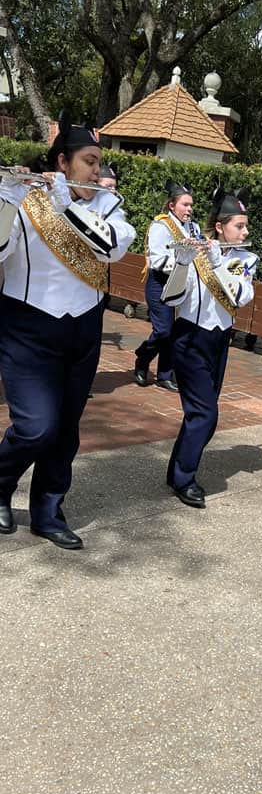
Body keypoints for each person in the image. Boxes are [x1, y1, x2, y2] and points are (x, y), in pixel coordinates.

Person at [0, 111, 136, 549]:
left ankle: (48, 511)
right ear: (62, 162)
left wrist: (68, 206)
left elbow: (113, 248)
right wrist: (5, 201)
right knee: (36, 426)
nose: (98, 170)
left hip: (83, 328)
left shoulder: (106, 204)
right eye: (90, 161)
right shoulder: (26, 199)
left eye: (99, 162)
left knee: (66, 428)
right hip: (27, 326)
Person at [162, 187, 257, 508]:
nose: (245, 232)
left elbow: (240, 298)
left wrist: (218, 263)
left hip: (219, 341)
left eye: (245, 226)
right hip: (189, 338)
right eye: (239, 226)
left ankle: (176, 471)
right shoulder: (198, 253)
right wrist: (182, 263)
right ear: (219, 227)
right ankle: (184, 478)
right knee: (205, 413)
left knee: (201, 414)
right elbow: (172, 299)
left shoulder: (247, 259)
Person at [133, 181, 197, 392]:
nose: (189, 209)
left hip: (183, 285)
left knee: (176, 332)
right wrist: (182, 265)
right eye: (185, 205)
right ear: (172, 205)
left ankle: (164, 375)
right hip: (160, 283)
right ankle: (143, 357)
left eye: (191, 205)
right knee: (163, 331)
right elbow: (158, 259)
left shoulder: (193, 228)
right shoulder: (161, 226)